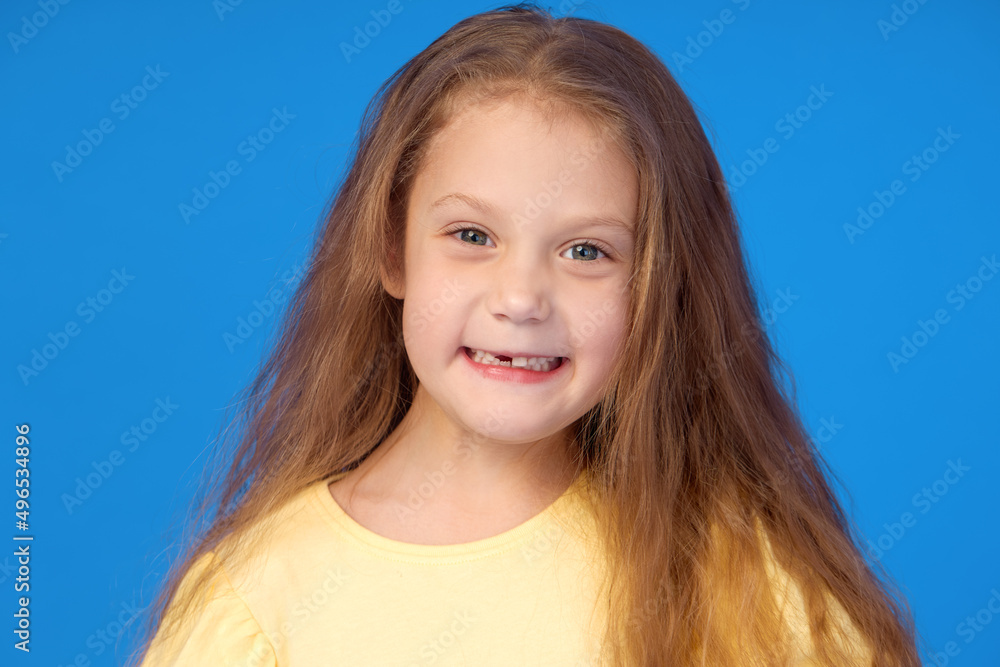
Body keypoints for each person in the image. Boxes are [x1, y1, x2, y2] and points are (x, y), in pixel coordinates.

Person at [129, 4, 924, 665]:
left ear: (655, 290)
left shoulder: (754, 592)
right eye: (472, 235)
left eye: (587, 251)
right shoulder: (255, 606)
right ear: (389, 248)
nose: (520, 298)